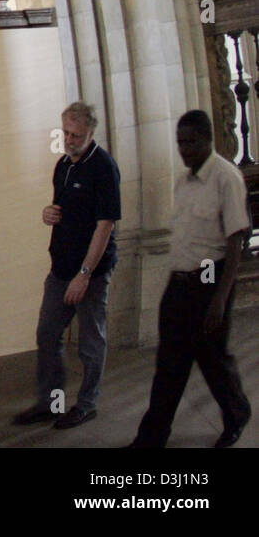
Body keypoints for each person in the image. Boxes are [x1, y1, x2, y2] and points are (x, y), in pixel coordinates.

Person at [128, 110, 252, 448]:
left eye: (191, 142)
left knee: (213, 362)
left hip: (210, 283)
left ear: (207, 140)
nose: (184, 149)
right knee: (169, 364)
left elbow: (235, 241)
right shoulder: (182, 182)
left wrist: (219, 300)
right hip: (179, 284)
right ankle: (151, 437)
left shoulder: (226, 178)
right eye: (180, 143)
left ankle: (236, 414)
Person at [13, 101, 120, 430]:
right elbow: (60, 208)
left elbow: (106, 225)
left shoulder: (103, 167)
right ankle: (51, 403)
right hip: (60, 269)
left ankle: (87, 405)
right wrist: (48, 213)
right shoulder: (63, 166)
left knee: (90, 343)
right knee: (47, 335)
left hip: (90, 274)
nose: (69, 139)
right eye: (65, 133)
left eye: (76, 134)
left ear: (90, 133)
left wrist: (84, 276)